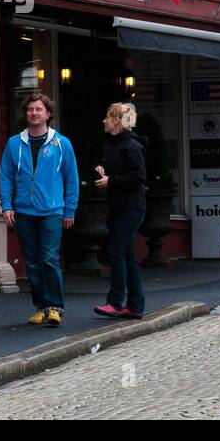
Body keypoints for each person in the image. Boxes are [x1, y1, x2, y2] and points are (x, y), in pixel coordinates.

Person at [0, 93, 79, 327]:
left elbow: (71, 177)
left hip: (52, 210)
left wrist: (70, 209)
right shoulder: (15, 143)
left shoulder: (61, 143)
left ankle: (55, 307)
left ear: (48, 114)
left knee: (49, 259)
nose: (34, 113)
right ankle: (41, 306)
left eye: (39, 109)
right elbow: (5, 176)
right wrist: (6, 205)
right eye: (30, 109)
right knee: (32, 262)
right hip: (24, 210)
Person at [93, 103, 147, 320]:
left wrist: (111, 180)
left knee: (115, 251)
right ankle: (135, 305)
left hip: (131, 207)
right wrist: (105, 173)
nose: (104, 120)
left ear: (116, 121)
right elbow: (125, 173)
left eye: (107, 117)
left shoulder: (131, 146)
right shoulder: (115, 145)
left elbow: (139, 177)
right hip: (121, 206)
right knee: (127, 256)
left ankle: (115, 302)